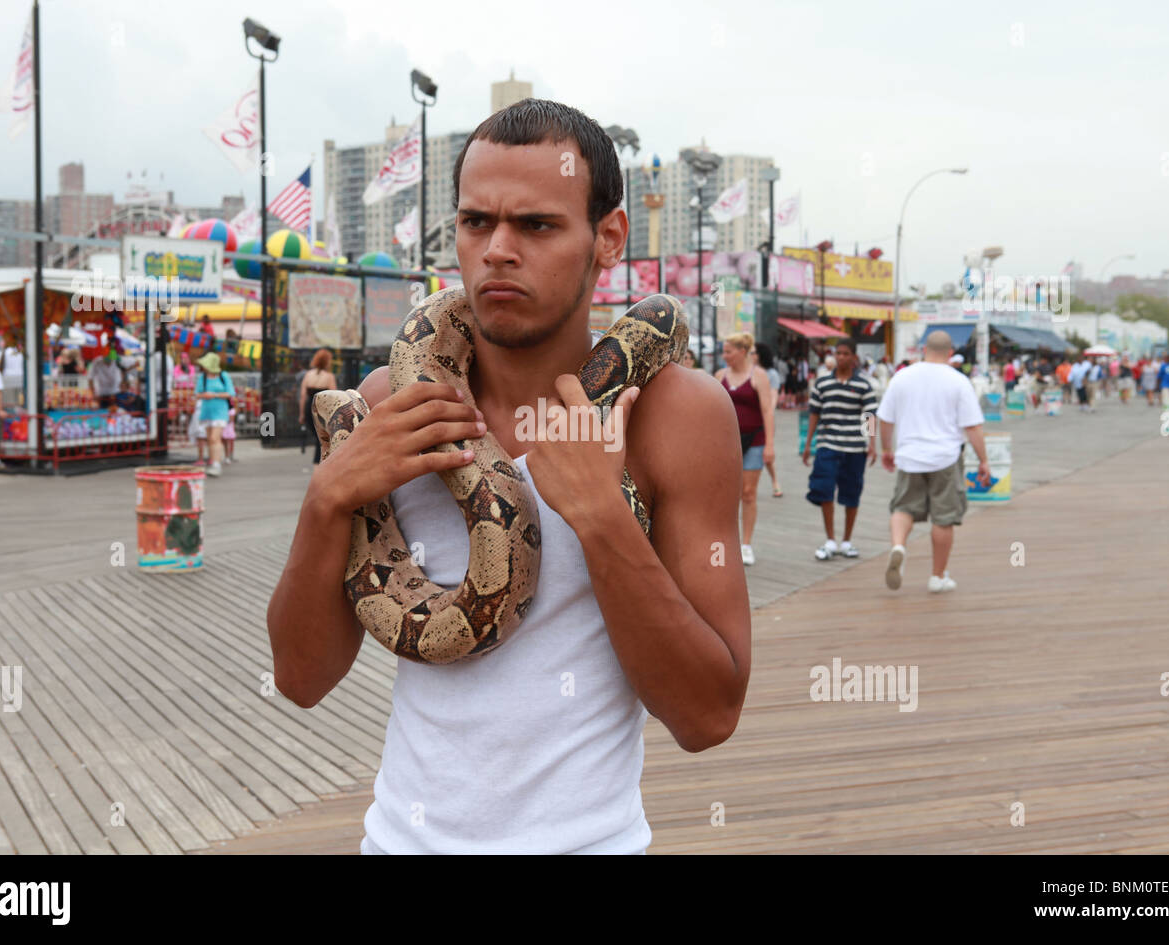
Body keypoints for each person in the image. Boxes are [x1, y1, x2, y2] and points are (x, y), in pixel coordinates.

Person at [267, 98, 750, 855]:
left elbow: (708, 714)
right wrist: (328, 496)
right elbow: (300, 678)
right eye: (475, 221)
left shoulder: (677, 415)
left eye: (537, 225)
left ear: (608, 238)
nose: (497, 249)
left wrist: (598, 513)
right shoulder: (387, 411)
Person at [876, 330, 989, 593]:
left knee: (903, 507)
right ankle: (937, 577)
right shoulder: (959, 381)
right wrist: (983, 460)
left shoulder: (901, 377)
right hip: (945, 457)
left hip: (909, 455)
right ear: (950, 353)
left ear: (923, 349)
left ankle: (898, 547)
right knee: (943, 517)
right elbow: (972, 426)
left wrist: (885, 449)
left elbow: (885, 419)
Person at [802, 338, 877, 560]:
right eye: (838, 353)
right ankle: (830, 539)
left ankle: (846, 540)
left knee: (851, 494)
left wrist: (871, 444)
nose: (841, 357)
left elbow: (869, 415)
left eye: (846, 354)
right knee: (824, 490)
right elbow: (814, 413)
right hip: (828, 444)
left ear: (854, 357)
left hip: (854, 448)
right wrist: (808, 444)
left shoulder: (864, 384)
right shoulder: (822, 383)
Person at [716, 332, 776, 564]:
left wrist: (769, 444)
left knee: (748, 493)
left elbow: (767, 411)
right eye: (724, 351)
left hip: (754, 439)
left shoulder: (758, 376)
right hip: (725, 441)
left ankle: (746, 544)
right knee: (724, 493)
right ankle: (726, 541)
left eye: (729, 351)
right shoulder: (720, 375)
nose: (725, 356)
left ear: (742, 352)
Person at [194, 352, 234, 477]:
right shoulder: (203, 378)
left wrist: (215, 395)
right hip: (207, 411)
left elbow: (230, 393)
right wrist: (204, 395)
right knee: (209, 439)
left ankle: (217, 464)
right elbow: (197, 393)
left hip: (220, 411)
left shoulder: (224, 376)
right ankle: (212, 462)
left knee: (215, 438)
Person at [753, 342, 784, 498]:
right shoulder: (748, 372)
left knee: (766, 453)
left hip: (763, 420)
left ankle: (775, 481)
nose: (751, 355)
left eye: (754, 353)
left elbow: (773, 399)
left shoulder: (771, 374)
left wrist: (766, 412)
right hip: (747, 421)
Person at [297, 349, 339, 465]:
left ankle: (319, 463)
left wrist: (301, 414)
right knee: (322, 438)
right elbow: (334, 396)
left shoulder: (308, 375)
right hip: (322, 410)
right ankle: (319, 463)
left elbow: (302, 396)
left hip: (309, 408)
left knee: (318, 438)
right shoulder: (329, 377)